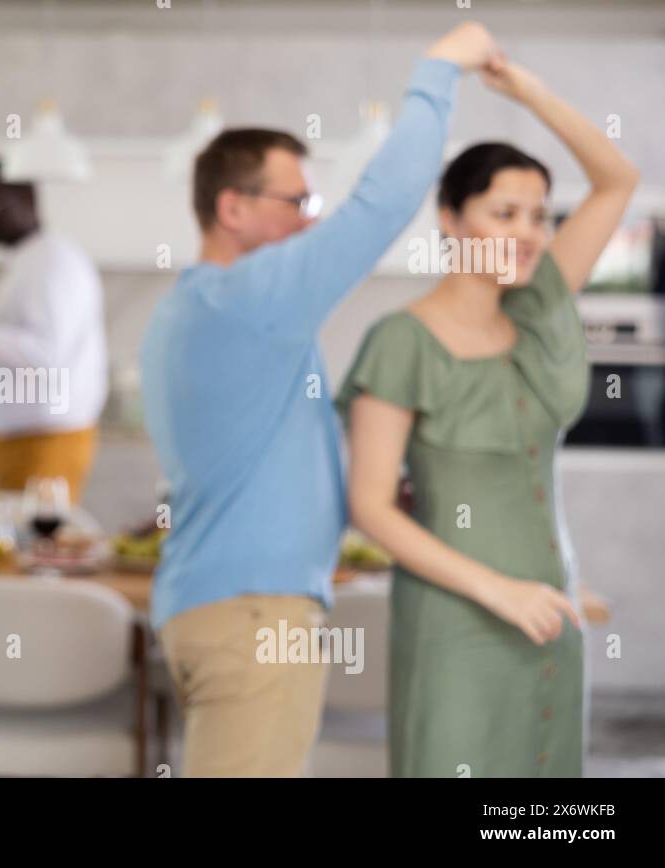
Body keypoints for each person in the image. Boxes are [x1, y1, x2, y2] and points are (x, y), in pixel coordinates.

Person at [140, 22, 497, 777]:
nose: (309, 219)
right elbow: (380, 205)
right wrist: (438, 71)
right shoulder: (247, 298)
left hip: (214, 607)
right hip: (257, 618)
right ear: (232, 208)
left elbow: (266, 437)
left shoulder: (195, 309)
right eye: (295, 200)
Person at [335, 57, 638, 777]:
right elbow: (370, 508)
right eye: (504, 214)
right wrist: (498, 590)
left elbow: (617, 180)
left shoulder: (536, 309)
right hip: (459, 624)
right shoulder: (402, 342)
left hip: (551, 616)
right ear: (450, 219)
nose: (528, 232)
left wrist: (530, 92)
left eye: (539, 215)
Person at [0, 162, 108, 502]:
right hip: (25, 439)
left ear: (27, 199)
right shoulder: (29, 259)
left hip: (46, 441)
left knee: (40, 536)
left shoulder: (52, 261)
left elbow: (47, 355)